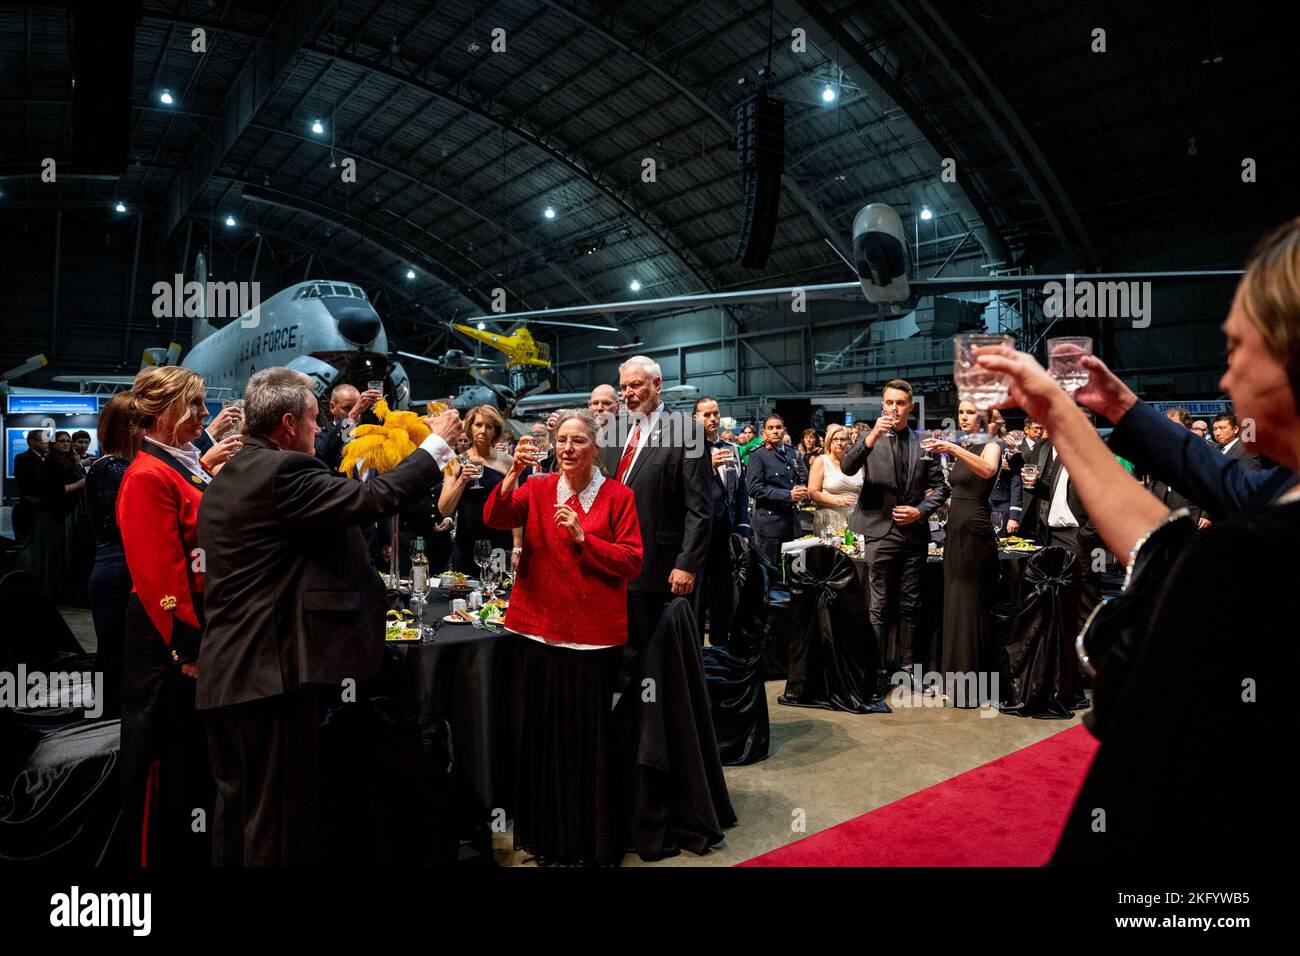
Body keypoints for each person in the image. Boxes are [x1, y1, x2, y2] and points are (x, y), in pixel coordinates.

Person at [973, 216, 1300, 863]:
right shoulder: (1274, 502)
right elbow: (1170, 540)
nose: (1225, 381)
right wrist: (1077, 413)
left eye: (1236, 349)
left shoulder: (1252, 556)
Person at [196, 367, 461, 866]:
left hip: (228, 672)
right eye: (316, 421)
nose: (320, 430)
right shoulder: (282, 472)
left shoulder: (234, 471)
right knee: (277, 825)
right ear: (289, 422)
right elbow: (369, 499)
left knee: (238, 816)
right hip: (269, 675)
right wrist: (434, 449)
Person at [484, 409, 643, 866]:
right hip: (538, 631)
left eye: (578, 441)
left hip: (593, 637)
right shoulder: (535, 488)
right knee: (543, 738)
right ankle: (547, 837)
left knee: (586, 742)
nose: (568, 448)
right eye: (562, 441)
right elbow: (495, 516)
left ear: (596, 448)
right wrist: (513, 471)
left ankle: (587, 840)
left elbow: (632, 561)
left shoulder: (618, 497)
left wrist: (583, 539)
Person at [116, 365, 238, 866]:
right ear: (160, 412)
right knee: (162, 757)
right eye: (195, 405)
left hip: (195, 624)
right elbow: (158, 575)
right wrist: (185, 647)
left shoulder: (181, 463)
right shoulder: (147, 475)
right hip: (166, 634)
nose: (205, 414)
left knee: (190, 757)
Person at [1067, 356, 1297, 513]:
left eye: (1237, 346)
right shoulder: (1284, 482)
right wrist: (1119, 405)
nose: (1226, 382)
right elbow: (1236, 489)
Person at [601, 356, 711, 651]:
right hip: (613, 564)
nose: (628, 394)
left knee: (655, 654)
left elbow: (700, 507)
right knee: (620, 652)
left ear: (657, 384)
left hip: (659, 567)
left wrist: (687, 564)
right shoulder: (614, 431)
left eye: (635, 385)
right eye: (624, 387)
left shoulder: (687, 431)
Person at [841, 379, 949, 671]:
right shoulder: (870, 438)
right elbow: (847, 467)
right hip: (879, 530)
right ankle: (875, 671)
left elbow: (941, 488)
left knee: (910, 605)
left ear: (910, 407)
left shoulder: (923, 441)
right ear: (882, 405)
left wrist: (920, 510)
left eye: (900, 403)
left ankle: (907, 668)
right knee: (878, 606)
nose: (894, 408)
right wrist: (872, 436)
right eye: (889, 402)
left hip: (914, 533)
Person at [928, 402, 1002, 690]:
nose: (963, 417)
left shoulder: (991, 445)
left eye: (970, 412)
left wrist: (953, 448)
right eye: (961, 412)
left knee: (970, 604)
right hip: (956, 528)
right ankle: (955, 682)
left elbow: (987, 471)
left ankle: (971, 686)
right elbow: (958, 491)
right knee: (955, 602)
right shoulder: (968, 445)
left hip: (975, 530)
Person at [84, 393, 143, 721]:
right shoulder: (112, 469)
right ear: (129, 427)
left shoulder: (115, 467)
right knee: (113, 657)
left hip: (118, 571)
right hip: (116, 574)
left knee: (117, 656)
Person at [1021, 419, 1104, 616]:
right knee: (1060, 598)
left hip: (1078, 535)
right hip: (1054, 535)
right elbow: (1052, 491)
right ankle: (1065, 644)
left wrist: (1086, 535)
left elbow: (1106, 501)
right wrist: (1034, 485)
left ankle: (1090, 644)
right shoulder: (1063, 455)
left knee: (1086, 596)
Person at [438, 404, 522, 576]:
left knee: (499, 597)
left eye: (489, 426)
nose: (483, 430)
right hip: (466, 542)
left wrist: (517, 547)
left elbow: (516, 507)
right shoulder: (456, 461)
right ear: (469, 427)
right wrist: (462, 480)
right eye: (478, 425)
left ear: (495, 431)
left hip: (500, 543)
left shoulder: (507, 461)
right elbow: (444, 509)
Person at [693, 397, 750, 645]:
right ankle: (693, 647)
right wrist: (706, 465)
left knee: (722, 592)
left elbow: (740, 492)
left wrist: (743, 527)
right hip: (698, 533)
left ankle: (719, 645)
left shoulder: (733, 449)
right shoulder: (689, 451)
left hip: (725, 533)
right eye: (706, 415)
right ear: (695, 418)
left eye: (715, 413)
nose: (713, 419)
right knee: (697, 593)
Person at [19, 431, 87, 605]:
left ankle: (67, 590)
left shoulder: (70, 460)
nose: (65, 444)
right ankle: (57, 591)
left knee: (70, 552)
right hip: (58, 514)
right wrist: (78, 485)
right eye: (61, 441)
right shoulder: (50, 462)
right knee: (59, 553)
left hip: (71, 510)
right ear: (54, 444)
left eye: (67, 441)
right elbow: (53, 491)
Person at [745, 414, 809, 569]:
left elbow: (801, 477)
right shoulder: (758, 454)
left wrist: (801, 488)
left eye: (778, 427)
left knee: (796, 570)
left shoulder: (791, 452)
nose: (775, 431)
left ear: (784, 430)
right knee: (771, 573)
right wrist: (788, 495)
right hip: (770, 525)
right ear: (764, 433)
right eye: (770, 428)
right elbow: (754, 489)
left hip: (792, 523)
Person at [807, 422, 861, 535]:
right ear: (829, 442)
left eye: (843, 439)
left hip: (855, 521)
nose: (839, 443)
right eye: (835, 439)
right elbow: (812, 492)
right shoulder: (821, 461)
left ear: (848, 441)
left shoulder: (856, 461)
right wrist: (839, 500)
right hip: (829, 523)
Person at [315, 383, 381, 472]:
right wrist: (352, 416)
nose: (356, 411)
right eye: (347, 407)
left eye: (357, 406)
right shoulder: (321, 436)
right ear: (332, 407)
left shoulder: (368, 435)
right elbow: (322, 452)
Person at [11, 428, 48, 544]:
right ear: (32, 441)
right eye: (45, 440)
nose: (48, 443)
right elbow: (28, 483)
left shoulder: (46, 458)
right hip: (30, 508)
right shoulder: (23, 458)